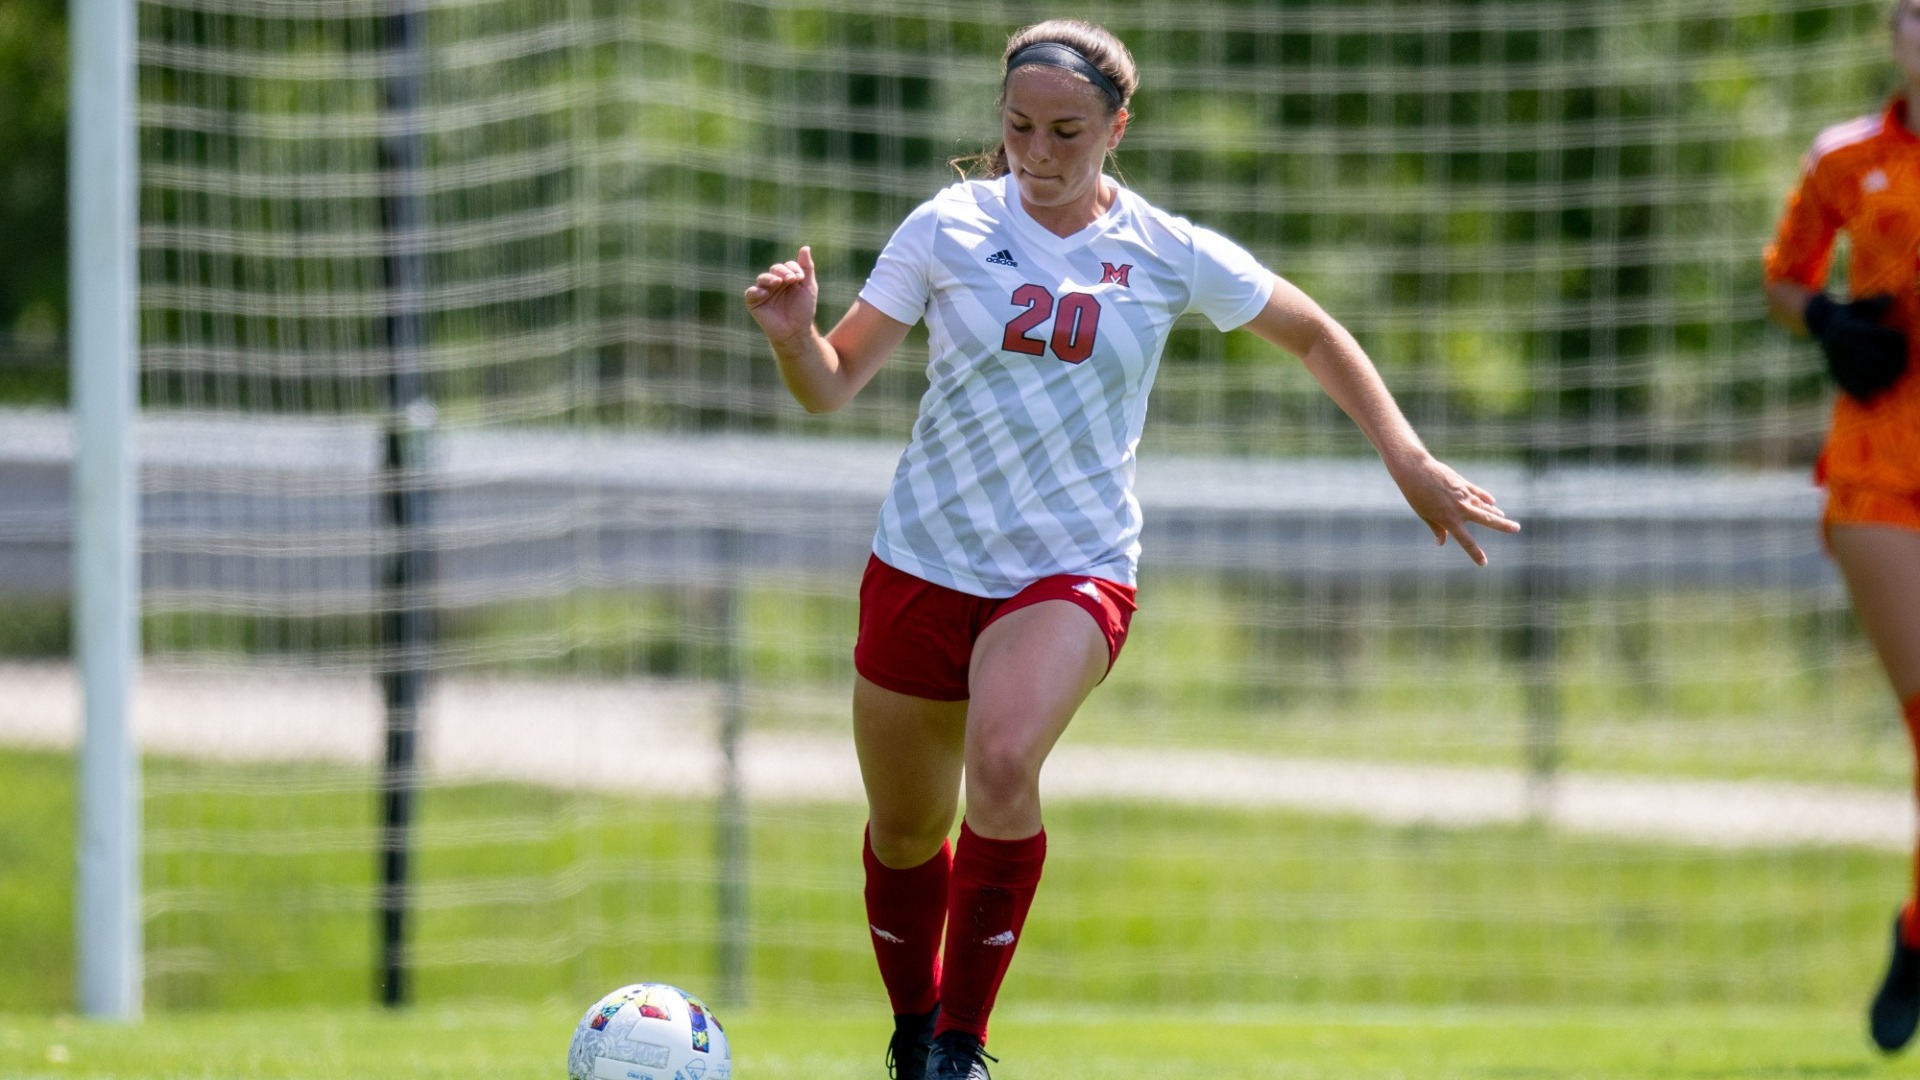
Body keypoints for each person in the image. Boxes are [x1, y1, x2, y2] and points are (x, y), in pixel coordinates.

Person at [743, 18, 1520, 1079]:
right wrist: (797, 339)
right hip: (923, 560)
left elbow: (1311, 330)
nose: (1038, 153)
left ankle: (961, 1049)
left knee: (1005, 762)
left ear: (1117, 127)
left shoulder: (1163, 250)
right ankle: (916, 1028)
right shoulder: (946, 227)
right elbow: (833, 385)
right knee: (907, 831)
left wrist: (1408, 458)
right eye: (1019, 127)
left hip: (1072, 567)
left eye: (1067, 131)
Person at [1764, 0, 1920, 1055]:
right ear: (1888, 28)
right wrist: (1824, 320)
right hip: (1878, 476)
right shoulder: (1846, 158)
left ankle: (1918, 932)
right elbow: (1784, 277)